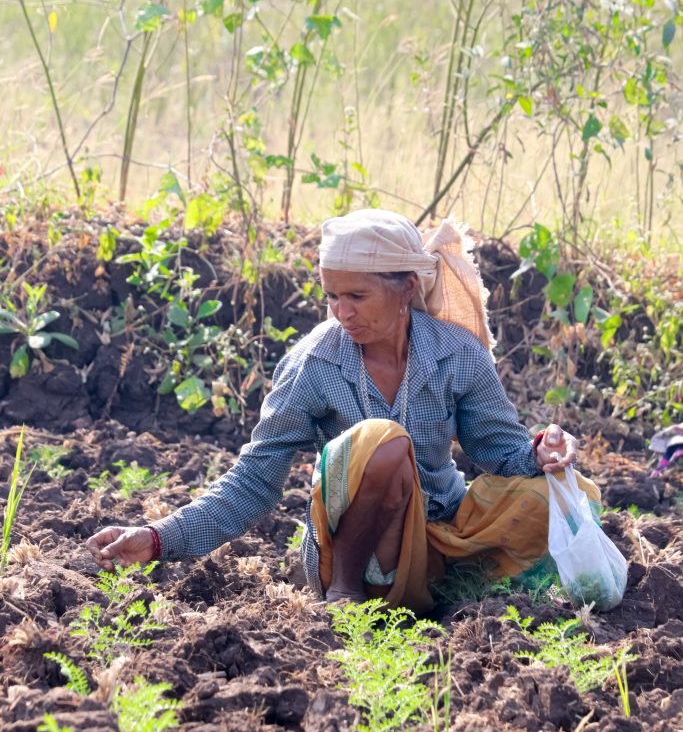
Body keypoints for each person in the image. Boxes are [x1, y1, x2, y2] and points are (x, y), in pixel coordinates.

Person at [86, 209, 600, 611]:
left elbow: (501, 452)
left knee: (564, 495)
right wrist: (159, 539)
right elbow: (253, 481)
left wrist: (545, 450)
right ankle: (346, 597)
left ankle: (457, 593)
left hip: (442, 539)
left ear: (406, 288)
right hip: (362, 557)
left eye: (356, 295)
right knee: (383, 439)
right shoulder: (314, 362)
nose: (341, 312)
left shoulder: (456, 352)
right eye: (332, 296)